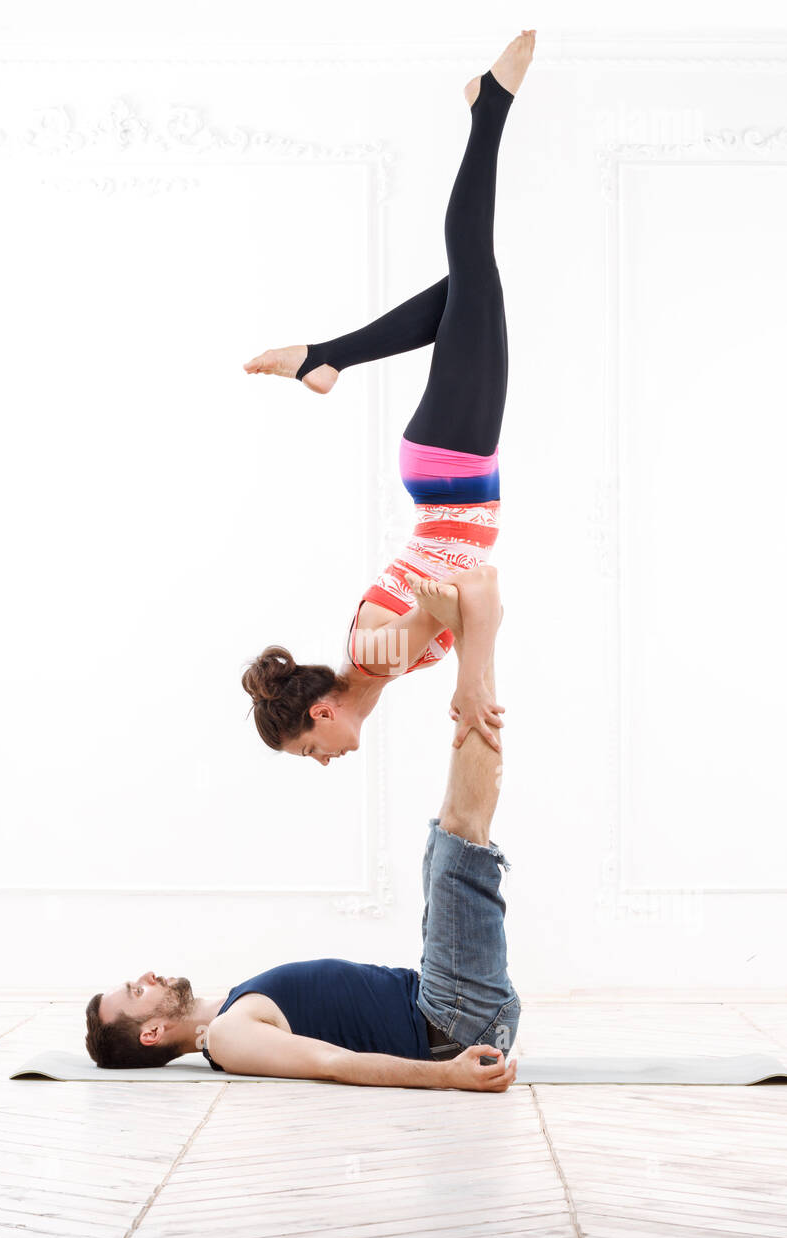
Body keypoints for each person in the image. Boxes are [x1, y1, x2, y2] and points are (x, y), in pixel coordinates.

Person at [85, 568, 520, 1092]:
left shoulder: (233, 1006)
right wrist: (447, 1076)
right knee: (459, 836)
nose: (148, 976)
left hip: (436, 1000)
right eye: (137, 992)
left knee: (446, 845)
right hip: (449, 1025)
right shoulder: (226, 1037)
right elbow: (333, 1064)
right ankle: (476, 656)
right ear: (151, 1033)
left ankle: (473, 639)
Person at [240, 31, 535, 765]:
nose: (325, 759)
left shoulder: (375, 653)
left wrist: (471, 686)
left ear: (321, 711)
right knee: (467, 288)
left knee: (473, 267)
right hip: (451, 475)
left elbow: (482, 588)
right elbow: (468, 596)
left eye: (312, 748)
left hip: (453, 474)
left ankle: (489, 106)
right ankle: (324, 356)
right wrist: (469, 672)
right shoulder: (375, 665)